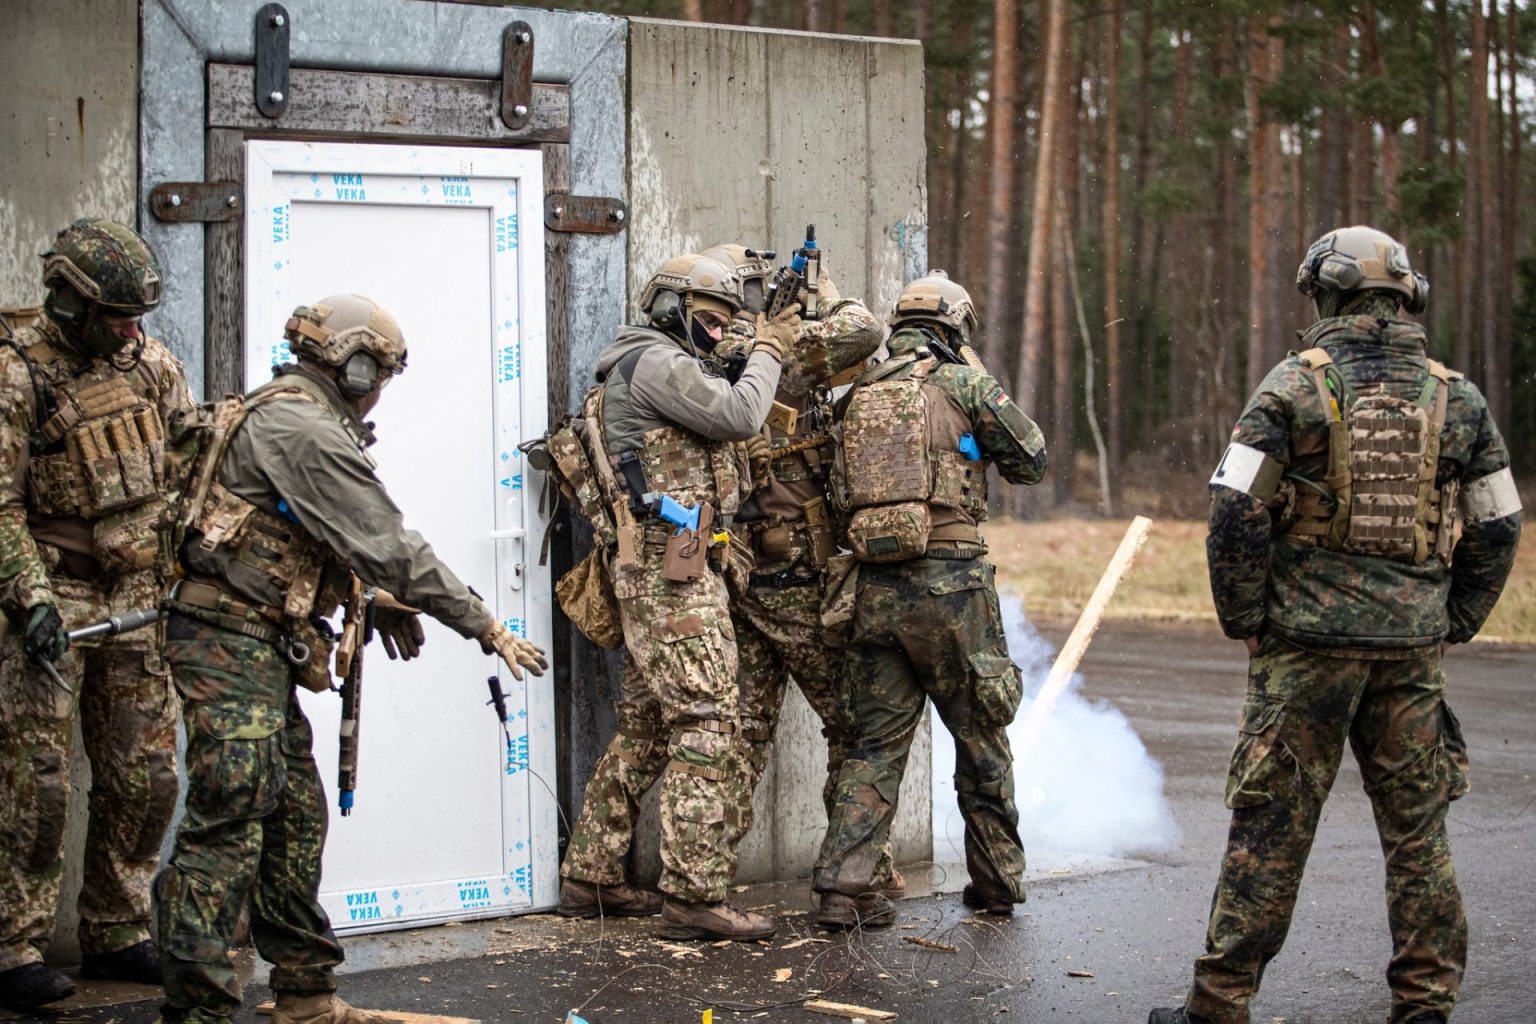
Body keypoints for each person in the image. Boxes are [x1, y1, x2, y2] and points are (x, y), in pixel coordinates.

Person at [1149, 226, 1522, 1024]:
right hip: (1410, 652)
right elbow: (1499, 524)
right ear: (1404, 297)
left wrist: (1248, 619)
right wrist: (1452, 618)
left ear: (1326, 291)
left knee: (1271, 829)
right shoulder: (1457, 397)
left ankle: (1219, 1005)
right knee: (1418, 835)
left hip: (1305, 649)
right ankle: (1425, 1005)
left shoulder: (1293, 386)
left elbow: (1235, 510)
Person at [154, 294, 547, 1024]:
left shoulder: (292, 415)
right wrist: (483, 624)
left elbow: (316, 534)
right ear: (357, 366)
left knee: (294, 818)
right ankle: (195, 1011)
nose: (379, 391)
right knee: (226, 825)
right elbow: (387, 541)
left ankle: (305, 996)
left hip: (256, 643)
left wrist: (375, 598)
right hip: (226, 640)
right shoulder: (301, 428)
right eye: (381, 376)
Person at [556, 253, 796, 941]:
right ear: (669, 308)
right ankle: (693, 896)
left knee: (648, 727)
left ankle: (592, 873)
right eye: (710, 321)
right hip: (672, 574)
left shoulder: (652, 364)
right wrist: (770, 348)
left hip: (662, 568)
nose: (719, 334)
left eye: (725, 324)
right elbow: (740, 413)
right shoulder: (654, 362)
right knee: (708, 719)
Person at [811, 271, 1047, 930]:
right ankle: (996, 882)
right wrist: (978, 378)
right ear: (956, 327)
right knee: (980, 735)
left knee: (874, 746)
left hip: (873, 590)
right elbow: (1031, 459)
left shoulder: (859, 395)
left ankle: (842, 888)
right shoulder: (965, 384)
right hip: (952, 590)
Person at [0, 219, 191, 1011]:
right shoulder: (17, 375)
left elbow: (187, 469)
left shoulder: (151, 366)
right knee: (36, 784)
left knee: (147, 776)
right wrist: (30, 596)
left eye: (137, 317)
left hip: (139, 600)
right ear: (71, 301)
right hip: (53, 596)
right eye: (115, 317)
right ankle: (13, 944)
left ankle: (118, 925)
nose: (130, 331)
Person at [697, 243, 894, 891]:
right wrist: (823, 290)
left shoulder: (703, 357)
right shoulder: (774, 354)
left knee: (743, 734)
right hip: (799, 579)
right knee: (854, 724)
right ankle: (857, 873)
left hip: (738, 570)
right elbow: (863, 330)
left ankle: (701, 879)